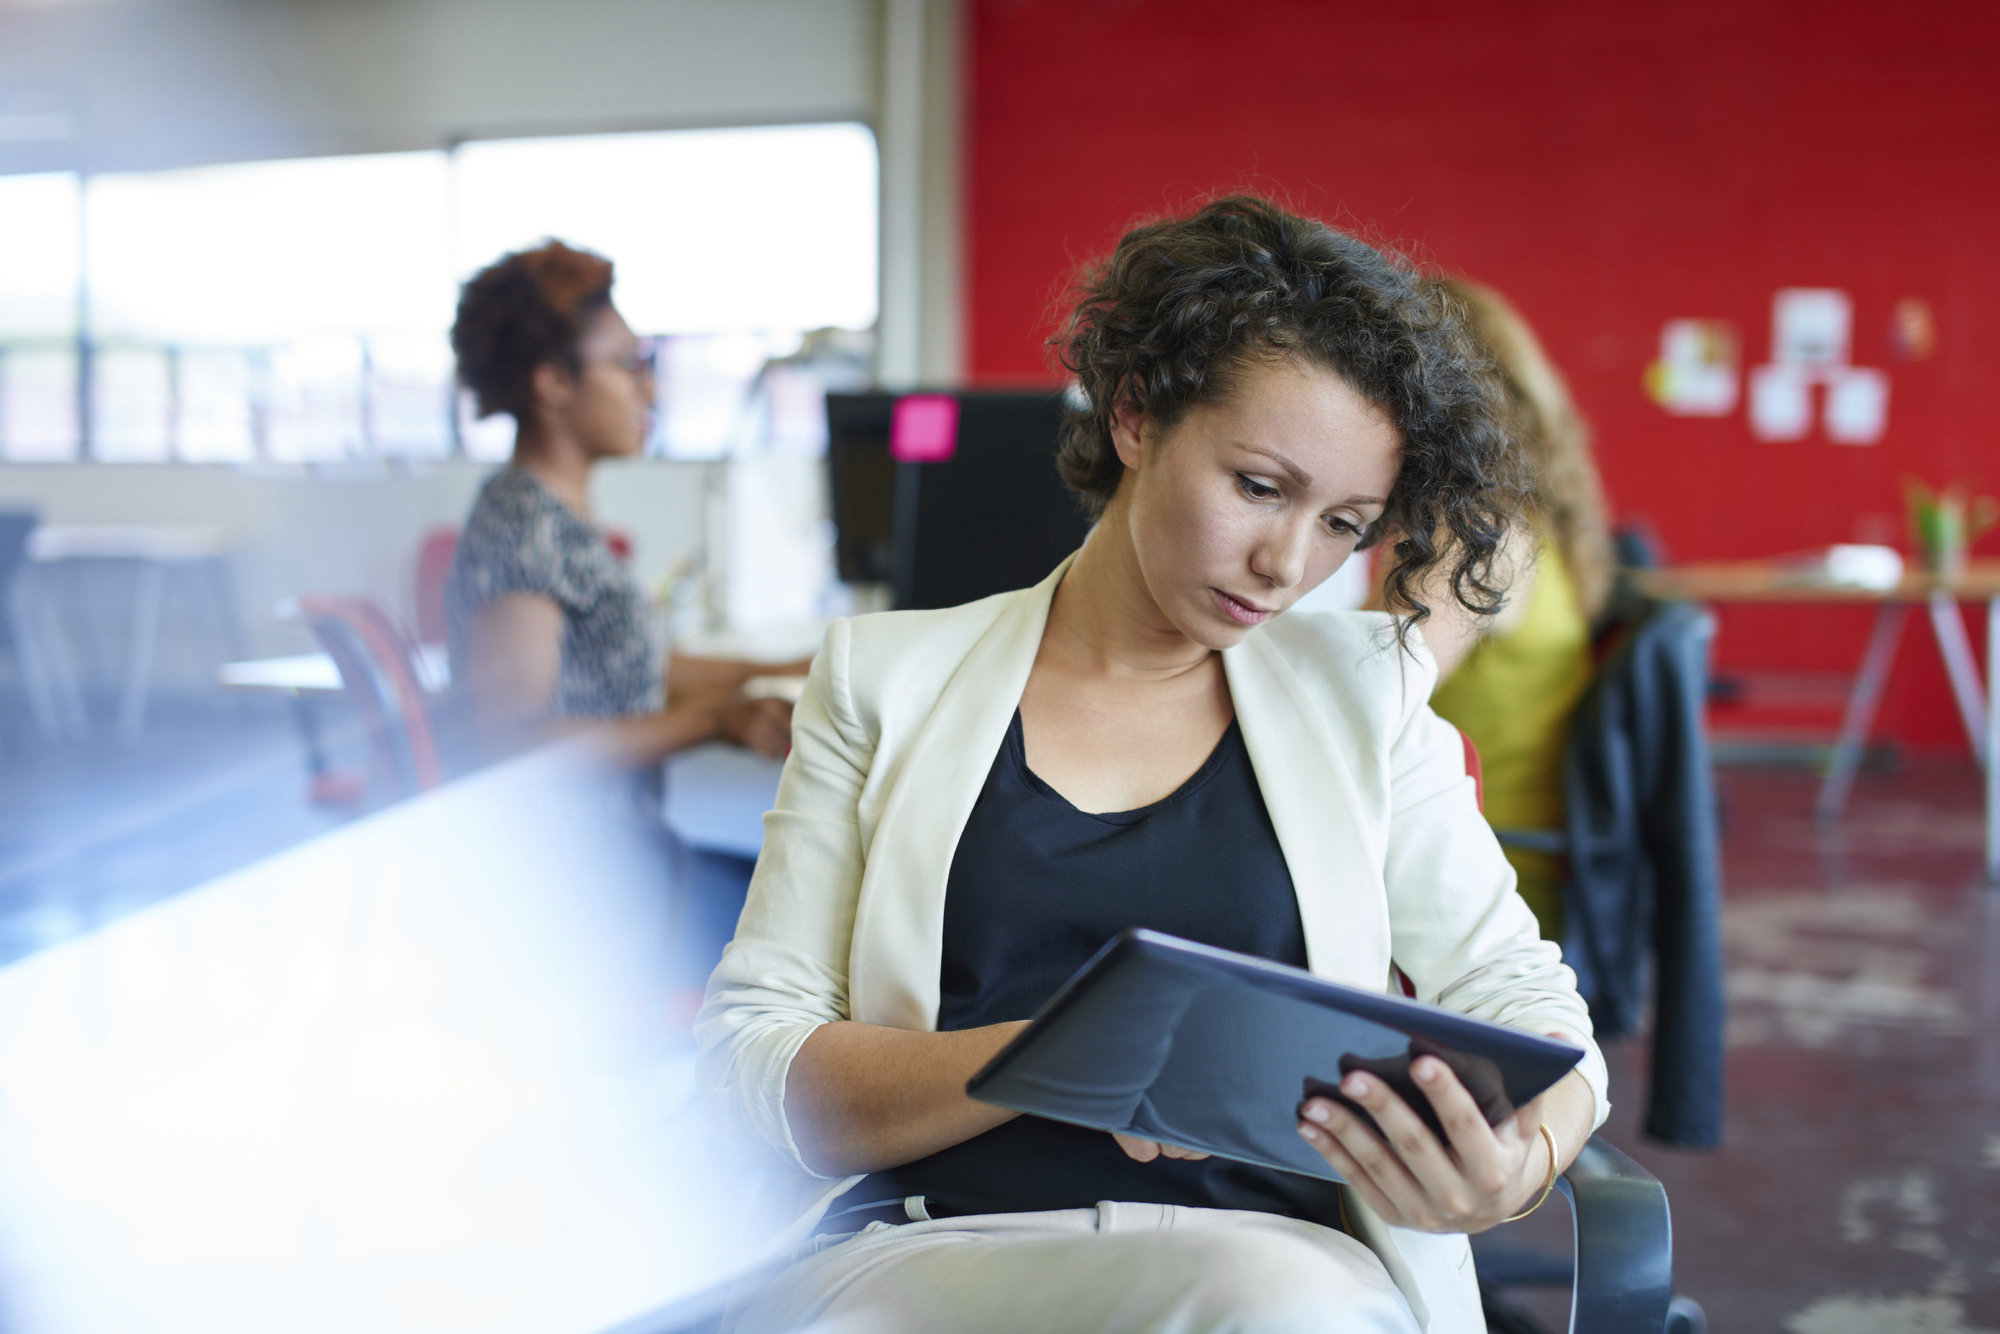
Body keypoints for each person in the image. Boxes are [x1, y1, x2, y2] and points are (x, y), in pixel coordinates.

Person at [698, 198, 1609, 1334]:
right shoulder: (884, 679)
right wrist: (1068, 1055)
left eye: (1344, 523)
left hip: (1273, 1266)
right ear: (1135, 416)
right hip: (932, 1256)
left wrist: (1516, 1166)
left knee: (1280, 1307)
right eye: (1258, 487)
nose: (1286, 563)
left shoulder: (1364, 695)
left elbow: (1531, 1009)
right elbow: (755, 1063)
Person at [444, 240, 801, 766]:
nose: (648, 391)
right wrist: (712, 721)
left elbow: (639, 663)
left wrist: (778, 671)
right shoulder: (524, 525)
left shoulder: (558, 514)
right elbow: (514, 742)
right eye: (629, 365)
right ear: (554, 381)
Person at [1382, 280, 1617, 938]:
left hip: (1479, 880)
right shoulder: (1538, 525)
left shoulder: (1479, 537)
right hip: (1507, 861)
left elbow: (1372, 698)